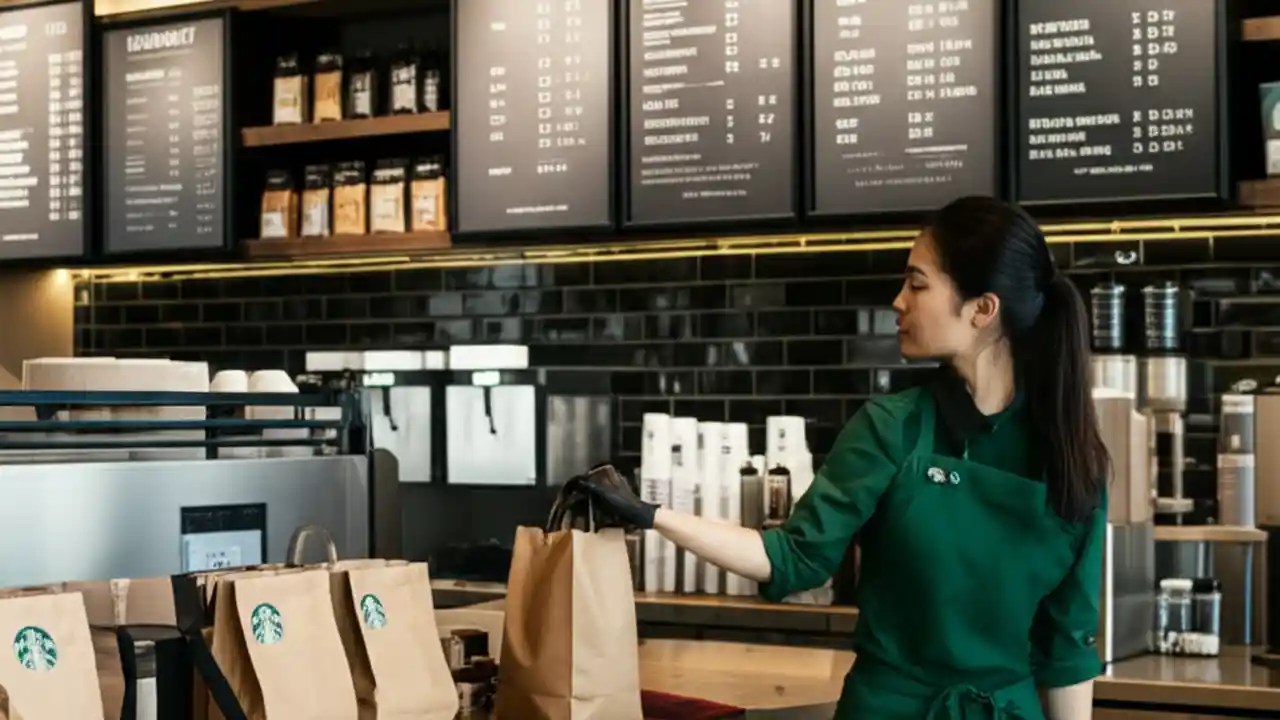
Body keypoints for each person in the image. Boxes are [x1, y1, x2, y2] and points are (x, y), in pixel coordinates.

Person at [582, 196, 1108, 720]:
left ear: (982, 309)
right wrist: (652, 514)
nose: (898, 301)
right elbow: (794, 558)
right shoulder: (893, 427)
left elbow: (1067, 650)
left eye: (917, 283)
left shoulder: (1069, 455)